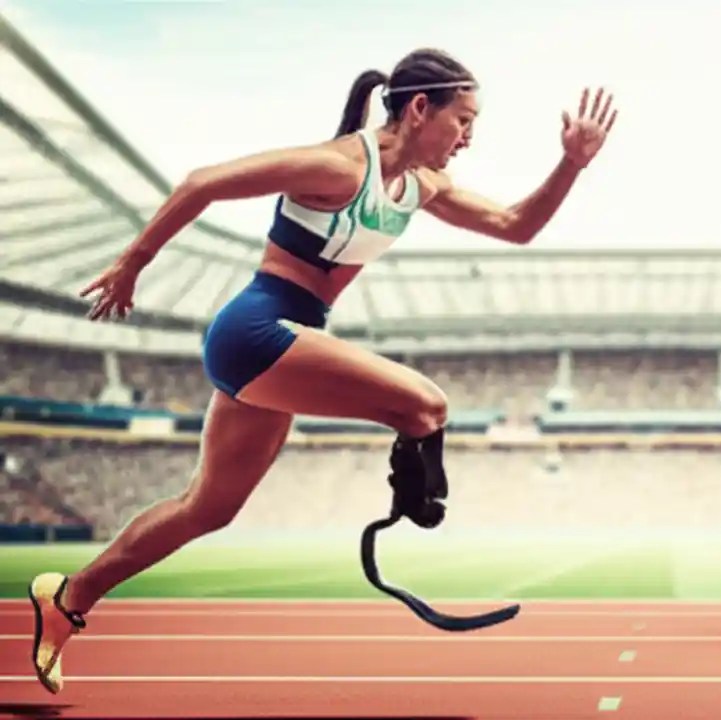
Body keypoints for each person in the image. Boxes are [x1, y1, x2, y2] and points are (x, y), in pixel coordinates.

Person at [27, 47, 619, 695]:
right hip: (257, 331)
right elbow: (203, 182)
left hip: (288, 341)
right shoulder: (336, 167)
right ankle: (420, 499)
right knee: (424, 405)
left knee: (207, 509)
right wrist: (133, 263)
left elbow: (515, 225)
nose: (470, 138)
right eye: (464, 120)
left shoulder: (422, 186)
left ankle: (69, 596)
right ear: (420, 108)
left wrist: (571, 163)